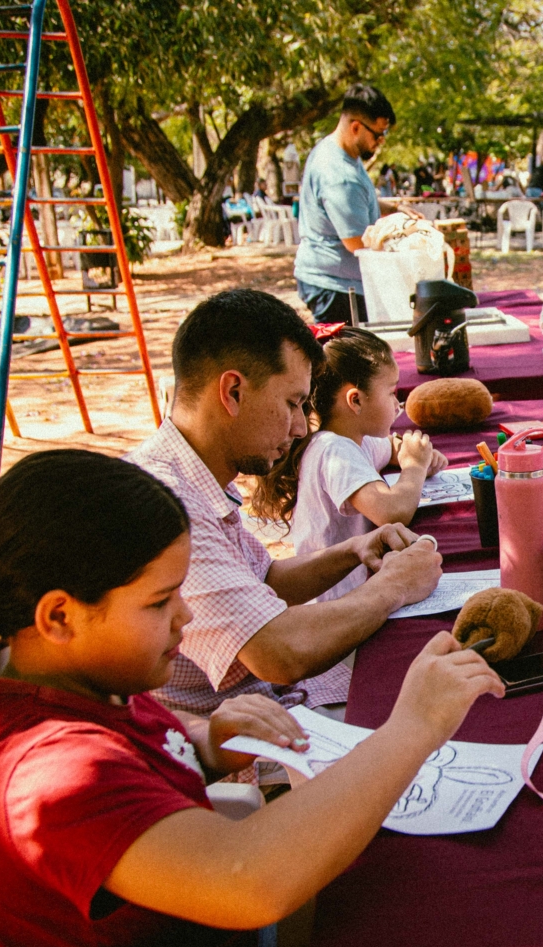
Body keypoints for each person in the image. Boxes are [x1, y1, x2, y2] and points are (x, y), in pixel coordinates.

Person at [0, 448, 502, 947]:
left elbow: (131, 760)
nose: (185, 617)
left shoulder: (53, 675)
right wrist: (412, 726)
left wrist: (207, 741)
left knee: (438, 894)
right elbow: (251, 879)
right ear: (59, 616)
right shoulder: (46, 770)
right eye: (160, 601)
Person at [128, 289, 442, 716]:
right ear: (233, 392)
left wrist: (353, 551)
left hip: (271, 706)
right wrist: (395, 585)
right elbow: (278, 652)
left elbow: (266, 580)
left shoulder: (195, 476)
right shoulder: (166, 504)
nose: (299, 427)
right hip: (244, 732)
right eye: (293, 403)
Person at [253, 327, 448, 603]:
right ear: (355, 400)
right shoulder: (333, 450)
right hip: (339, 605)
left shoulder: (356, 438)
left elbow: (393, 448)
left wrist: (411, 453)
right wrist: (415, 466)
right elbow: (392, 512)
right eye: (391, 392)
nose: (397, 404)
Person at [293, 84, 397, 325]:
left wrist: (395, 211)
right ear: (356, 127)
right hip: (335, 287)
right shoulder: (338, 175)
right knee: (349, 359)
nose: (381, 141)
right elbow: (356, 241)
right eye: (378, 134)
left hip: (334, 280)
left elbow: (358, 203)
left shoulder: (339, 151)